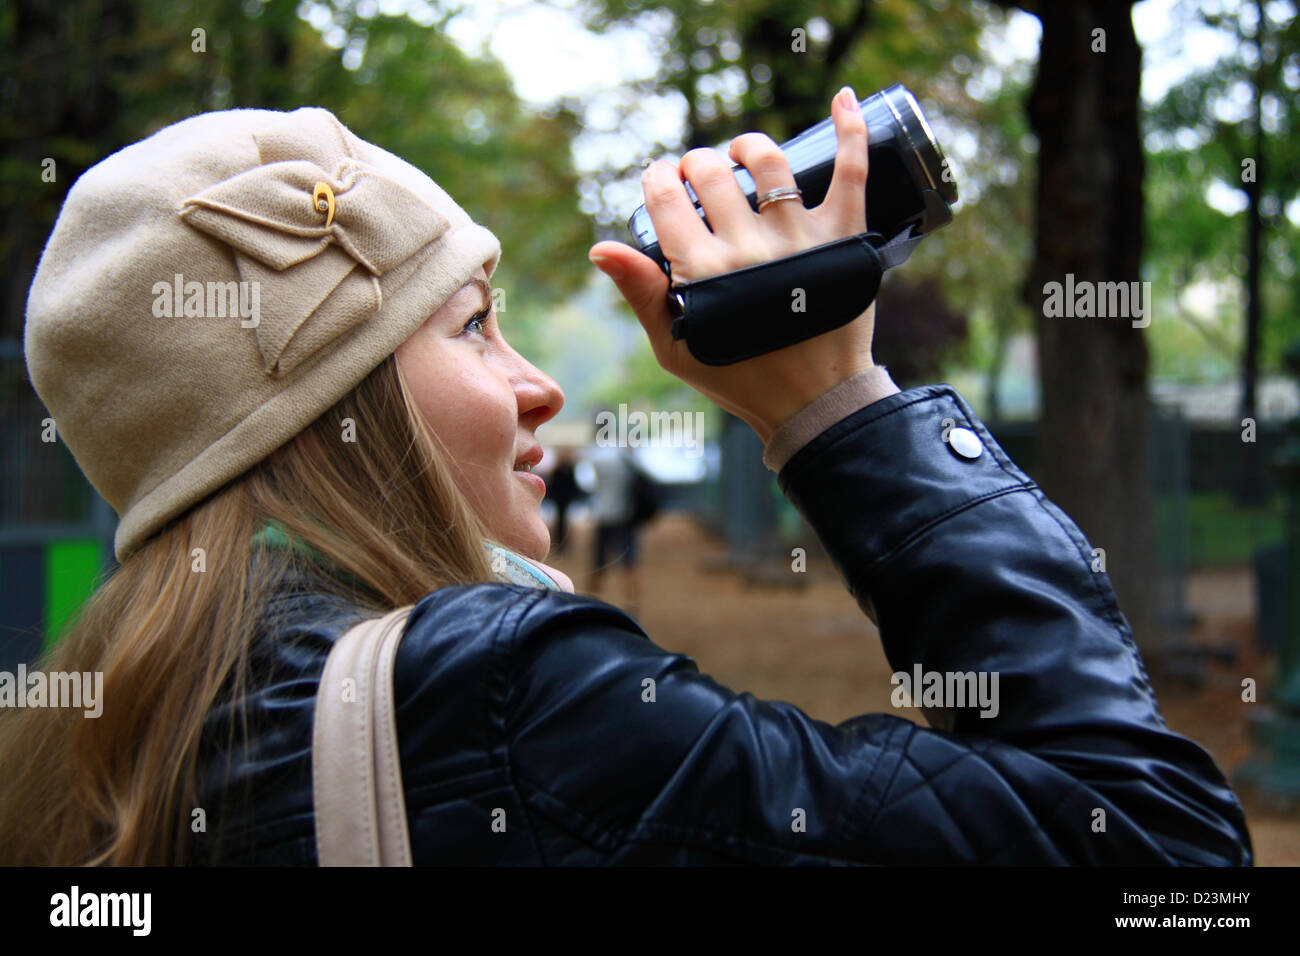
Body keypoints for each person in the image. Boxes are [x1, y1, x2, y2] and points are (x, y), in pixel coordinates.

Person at [0, 88, 1251, 866]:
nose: (538, 383)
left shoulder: (106, 728)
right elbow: (1156, 849)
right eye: (474, 325)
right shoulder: (493, 697)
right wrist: (841, 410)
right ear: (335, 404)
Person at [585, 439, 643, 612]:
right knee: (630, 564)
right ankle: (633, 606)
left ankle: (591, 604)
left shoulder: (598, 456)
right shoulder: (626, 457)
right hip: (625, 518)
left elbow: (590, 485)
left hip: (604, 517)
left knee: (598, 564)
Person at [545, 447, 582, 555]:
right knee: (561, 522)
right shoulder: (564, 469)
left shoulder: (567, 469)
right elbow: (554, 485)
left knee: (563, 522)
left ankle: (563, 544)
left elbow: (571, 485)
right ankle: (561, 543)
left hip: (563, 499)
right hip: (561, 499)